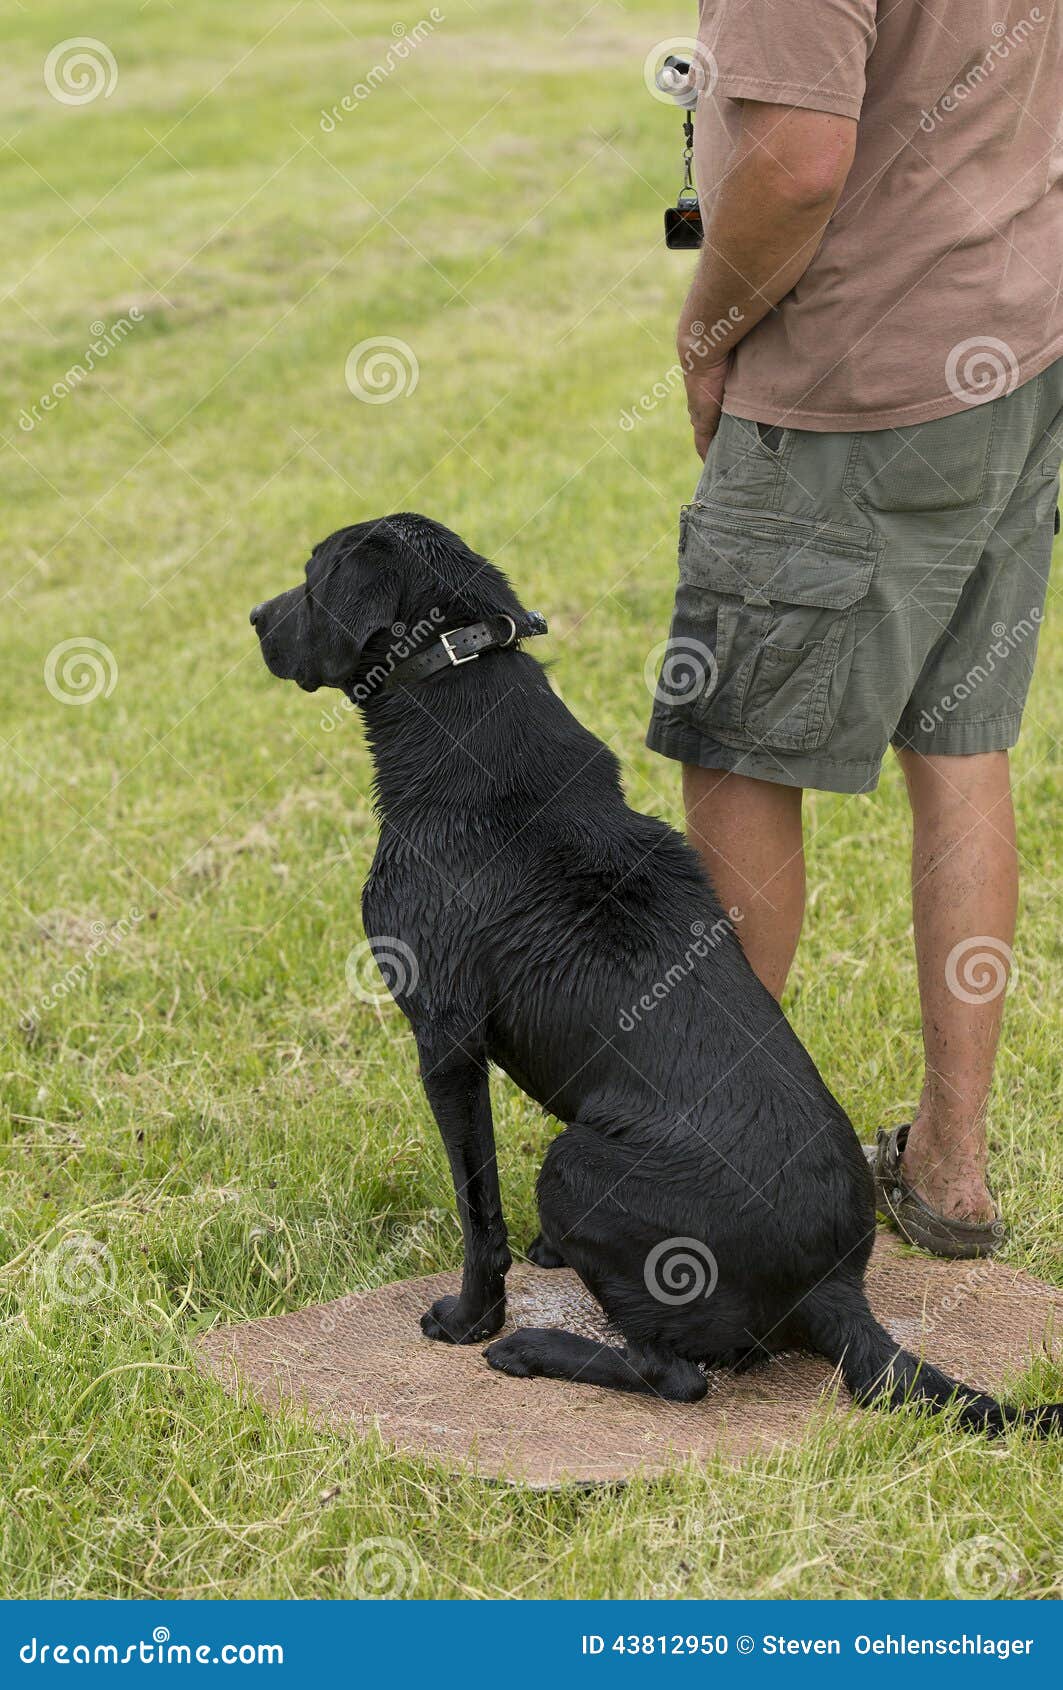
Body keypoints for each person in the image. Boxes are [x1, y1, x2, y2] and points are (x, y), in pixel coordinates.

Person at [647, 0, 1062, 1257]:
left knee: (738, 753)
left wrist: (705, 332)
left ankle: (710, 1171)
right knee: (961, 749)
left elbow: (794, 167)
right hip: (1010, 352)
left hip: (851, 381)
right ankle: (948, 1169)